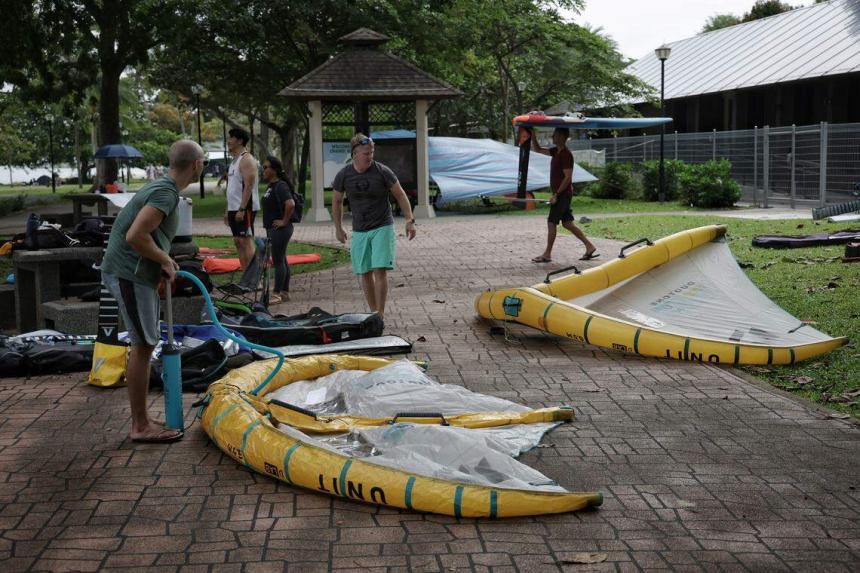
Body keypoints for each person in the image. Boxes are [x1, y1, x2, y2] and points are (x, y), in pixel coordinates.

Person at [100, 139, 207, 443]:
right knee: (144, 344)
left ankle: (142, 420)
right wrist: (164, 259)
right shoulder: (165, 192)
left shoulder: (164, 187)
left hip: (132, 271)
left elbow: (144, 234)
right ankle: (140, 425)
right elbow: (136, 235)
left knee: (145, 342)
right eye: (204, 163)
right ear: (196, 165)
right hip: (128, 272)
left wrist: (161, 259)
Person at [332, 133, 416, 320]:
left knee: (379, 269)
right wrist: (338, 227)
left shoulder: (382, 171)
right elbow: (337, 201)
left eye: (371, 152)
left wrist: (409, 220)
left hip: (382, 226)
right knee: (365, 271)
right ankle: (373, 311)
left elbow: (400, 195)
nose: (370, 156)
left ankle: (380, 313)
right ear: (354, 153)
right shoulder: (344, 174)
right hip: (360, 229)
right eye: (365, 153)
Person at [530, 127, 598, 263]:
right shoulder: (556, 151)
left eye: (554, 135)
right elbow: (537, 149)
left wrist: (556, 194)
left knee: (551, 222)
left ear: (561, 136)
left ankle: (547, 254)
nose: (552, 137)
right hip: (562, 194)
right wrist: (532, 135)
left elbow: (568, 178)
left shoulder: (566, 154)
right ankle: (590, 246)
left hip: (563, 194)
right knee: (567, 223)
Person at [261, 155, 296, 305]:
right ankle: (285, 292)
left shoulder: (280, 186)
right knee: (282, 259)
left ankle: (276, 294)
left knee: (278, 260)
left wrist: (284, 221)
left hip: (280, 229)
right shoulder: (271, 186)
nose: (263, 170)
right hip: (273, 228)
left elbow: (290, 204)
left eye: (265, 167)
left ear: (274, 170)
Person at [224, 127, 259, 270]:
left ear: (239, 141)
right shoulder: (234, 161)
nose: (228, 141)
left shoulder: (246, 159)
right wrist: (228, 209)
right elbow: (232, 188)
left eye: (231, 138)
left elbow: (249, 186)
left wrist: (242, 208)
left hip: (245, 208)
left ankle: (255, 278)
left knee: (246, 241)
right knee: (238, 241)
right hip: (234, 208)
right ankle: (246, 276)